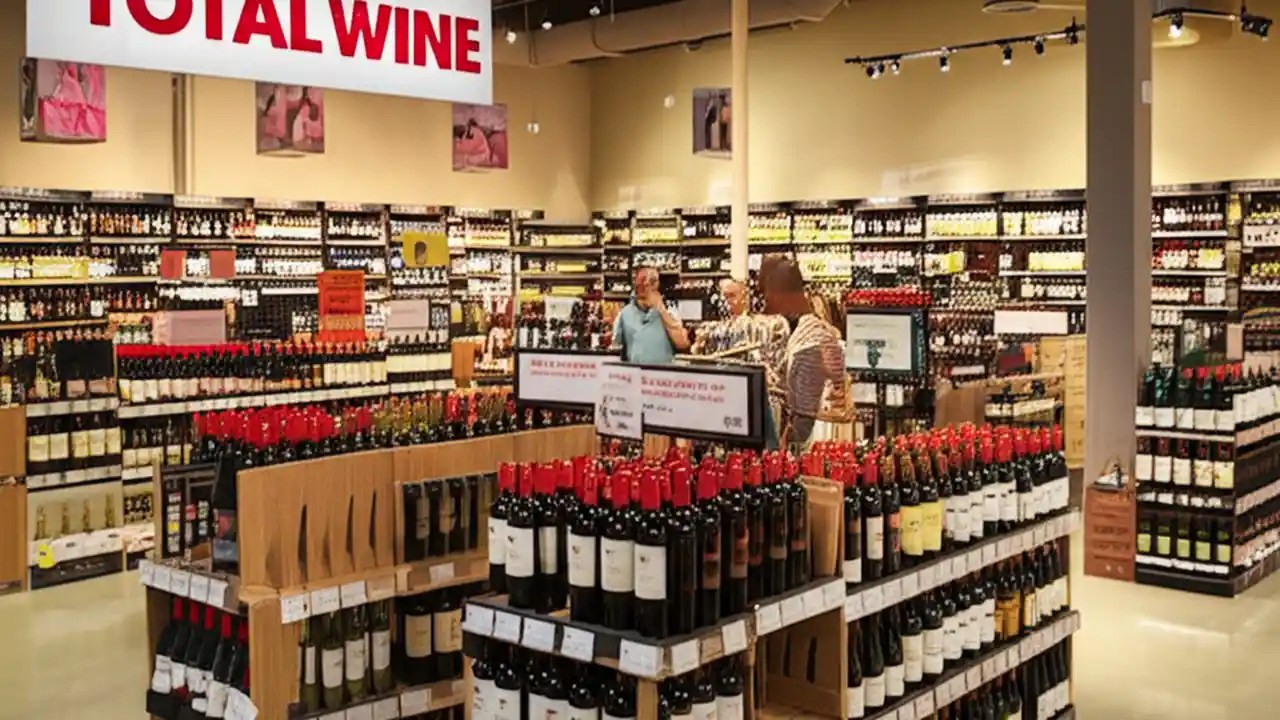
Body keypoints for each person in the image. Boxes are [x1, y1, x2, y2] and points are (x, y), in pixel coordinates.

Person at [758, 255, 848, 448]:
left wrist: (789, 440)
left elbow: (806, 410)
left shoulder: (809, 334)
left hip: (810, 437)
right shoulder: (792, 326)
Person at [612, 267, 689, 364]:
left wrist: (661, 310)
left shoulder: (669, 310)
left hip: (662, 376)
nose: (647, 285)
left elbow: (682, 343)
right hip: (635, 375)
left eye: (652, 281)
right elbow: (615, 347)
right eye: (643, 280)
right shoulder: (625, 314)